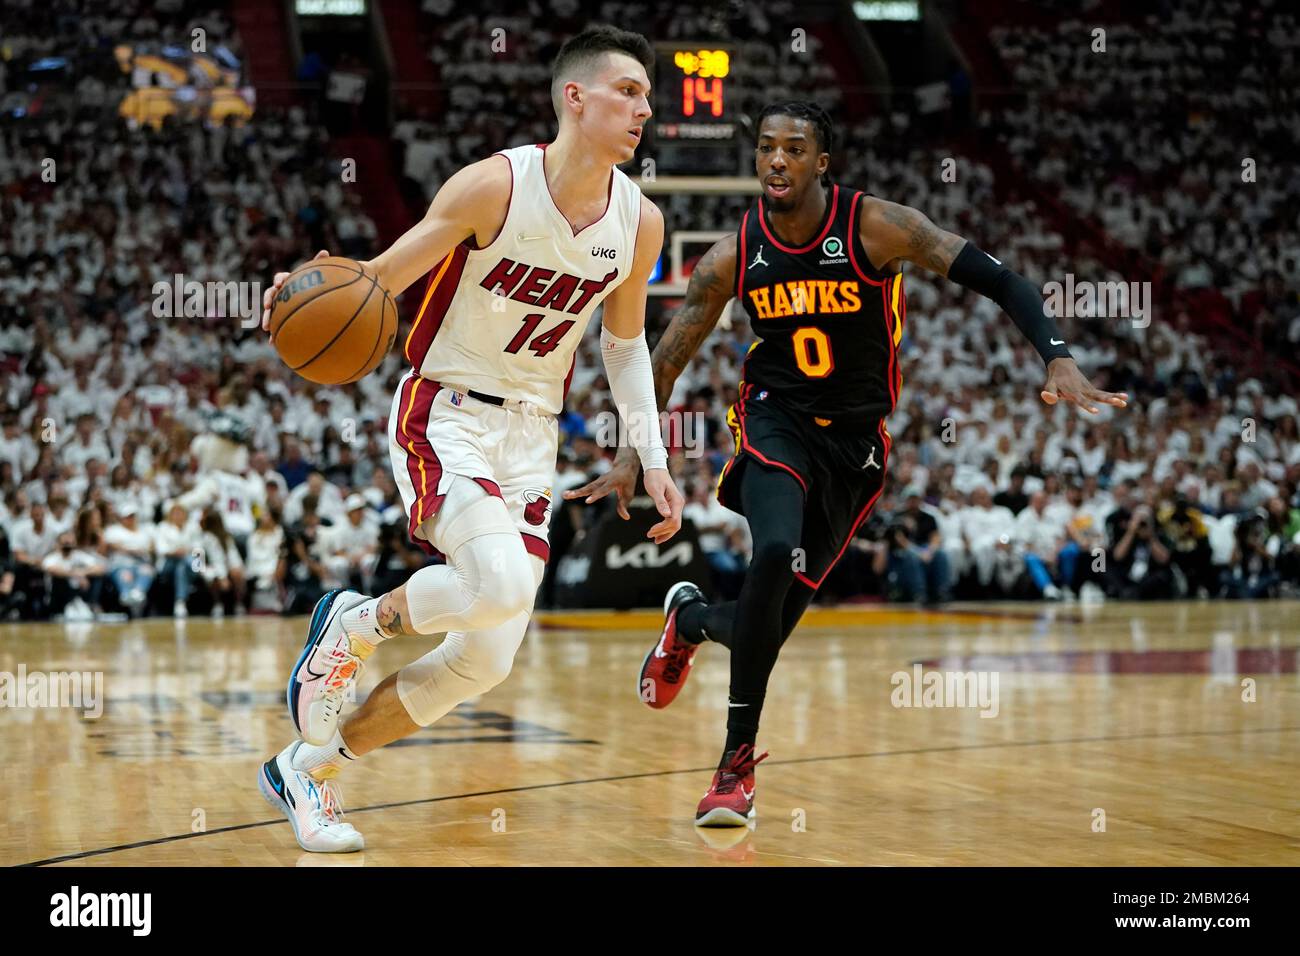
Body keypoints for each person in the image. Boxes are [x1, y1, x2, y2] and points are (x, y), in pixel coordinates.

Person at [568, 100, 1127, 826]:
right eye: (767, 147)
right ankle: (734, 767)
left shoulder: (878, 226)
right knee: (771, 548)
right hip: (775, 421)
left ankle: (693, 619)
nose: (776, 160)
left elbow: (1003, 281)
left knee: (764, 628)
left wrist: (1057, 357)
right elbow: (665, 362)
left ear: (821, 162)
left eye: (794, 149)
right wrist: (631, 455)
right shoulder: (734, 254)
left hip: (856, 450)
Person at [254, 26, 683, 852]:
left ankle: (307, 769)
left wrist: (652, 458)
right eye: (626, 91)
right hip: (445, 411)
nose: (643, 108)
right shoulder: (494, 185)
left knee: (485, 657)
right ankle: (352, 626)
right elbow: (378, 278)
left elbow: (623, 347)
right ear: (576, 97)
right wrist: (302, 288)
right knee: (494, 582)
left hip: (533, 439)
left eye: (645, 97)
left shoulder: (641, 222)